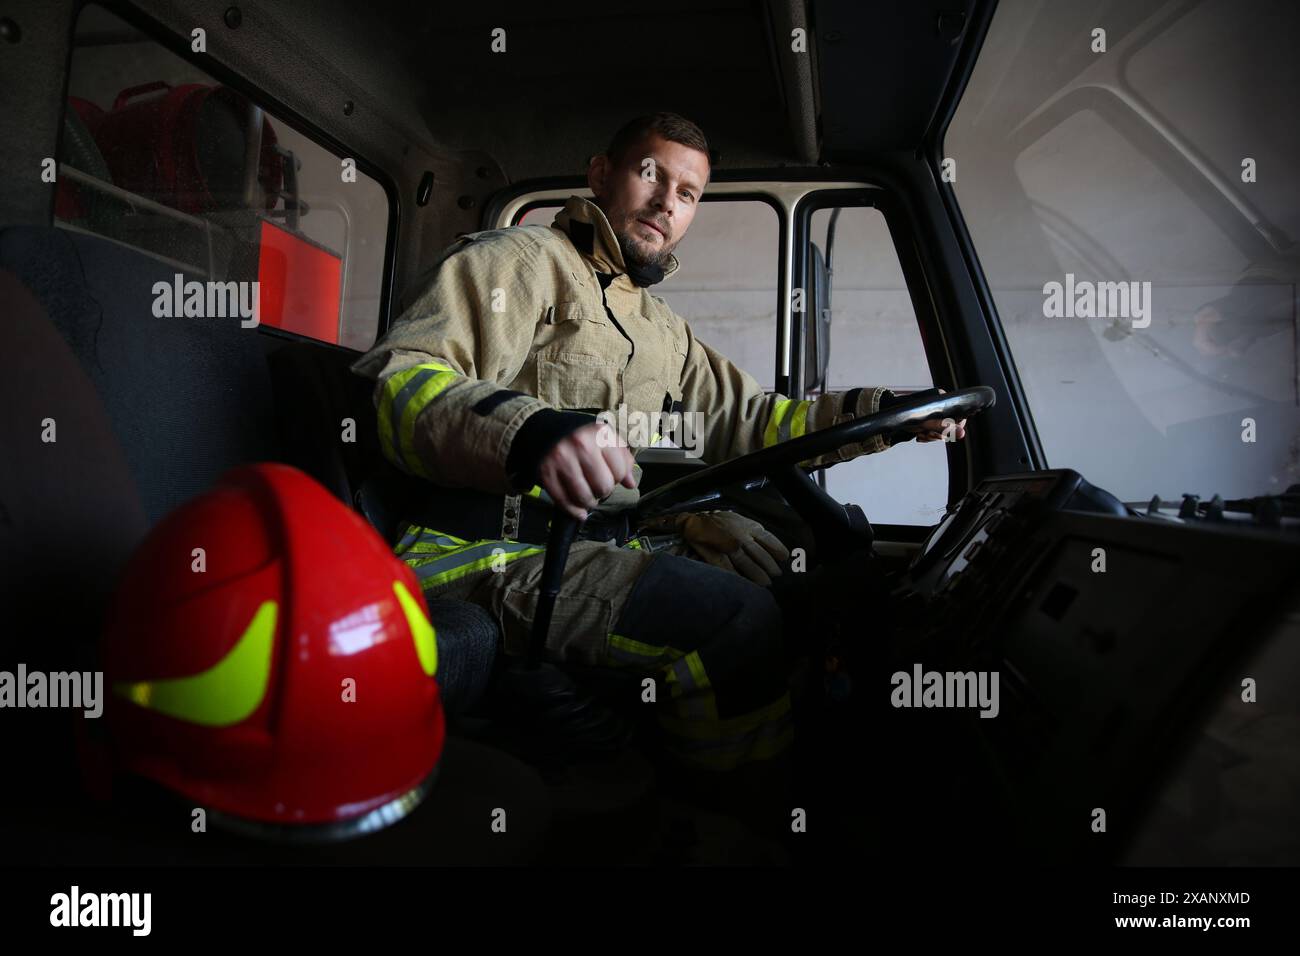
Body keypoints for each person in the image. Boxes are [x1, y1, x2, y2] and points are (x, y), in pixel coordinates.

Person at [350, 112, 963, 818]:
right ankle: (733, 821)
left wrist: (886, 411)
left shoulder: (661, 330)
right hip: (480, 551)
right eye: (651, 174)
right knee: (732, 620)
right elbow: (399, 382)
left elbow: (757, 423)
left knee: (814, 573)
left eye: (690, 193)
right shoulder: (517, 261)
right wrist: (530, 431)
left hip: (596, 543)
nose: (668, 201)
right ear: (601, 174)